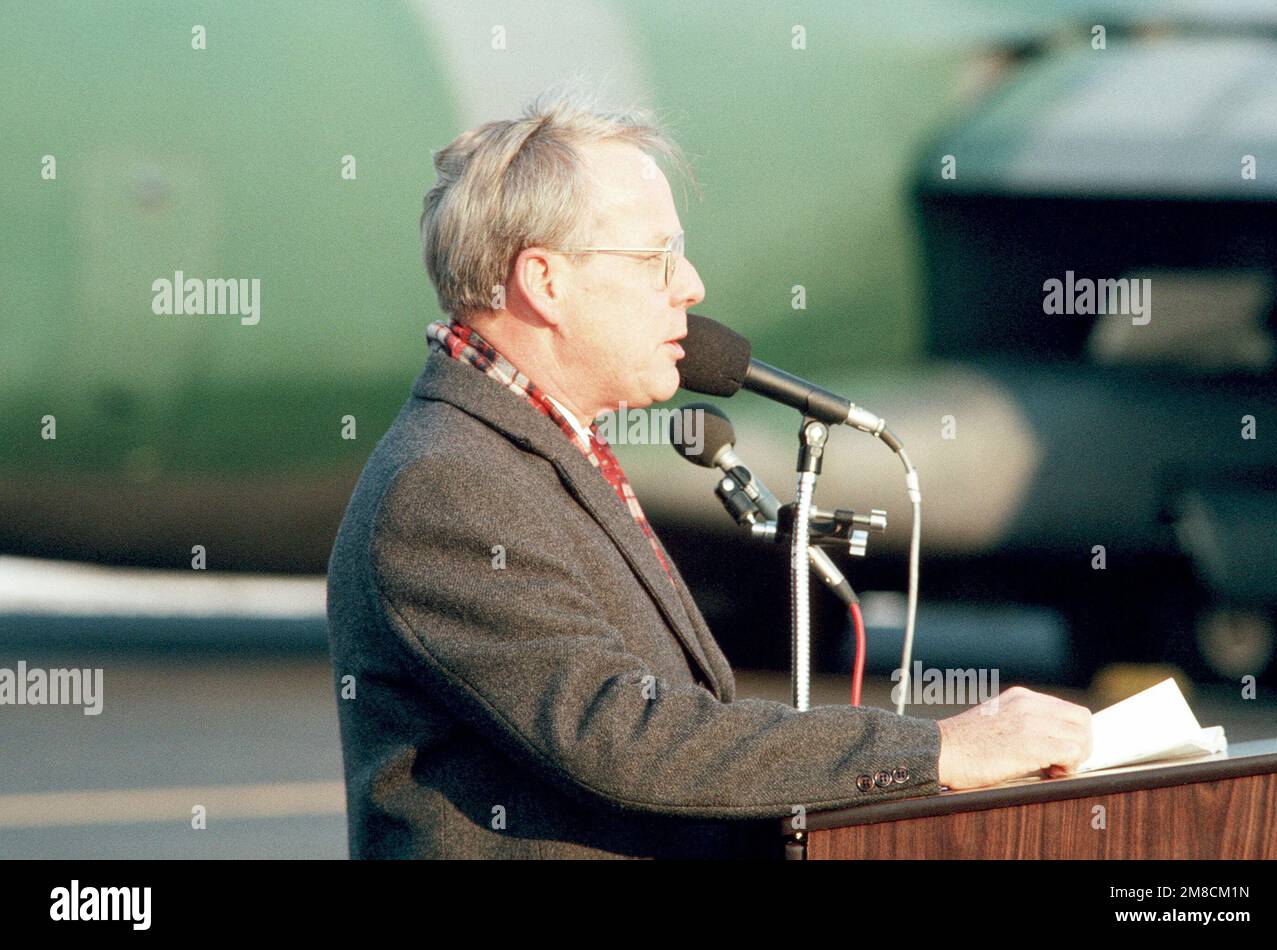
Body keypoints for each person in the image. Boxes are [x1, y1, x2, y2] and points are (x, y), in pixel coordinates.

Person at [325, 89, 1092, 859]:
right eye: (658, 256)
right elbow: (626, 736)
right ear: (545, 282)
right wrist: (939, 752)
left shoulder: (536, 451)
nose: (689, 285)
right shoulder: (448, 485)